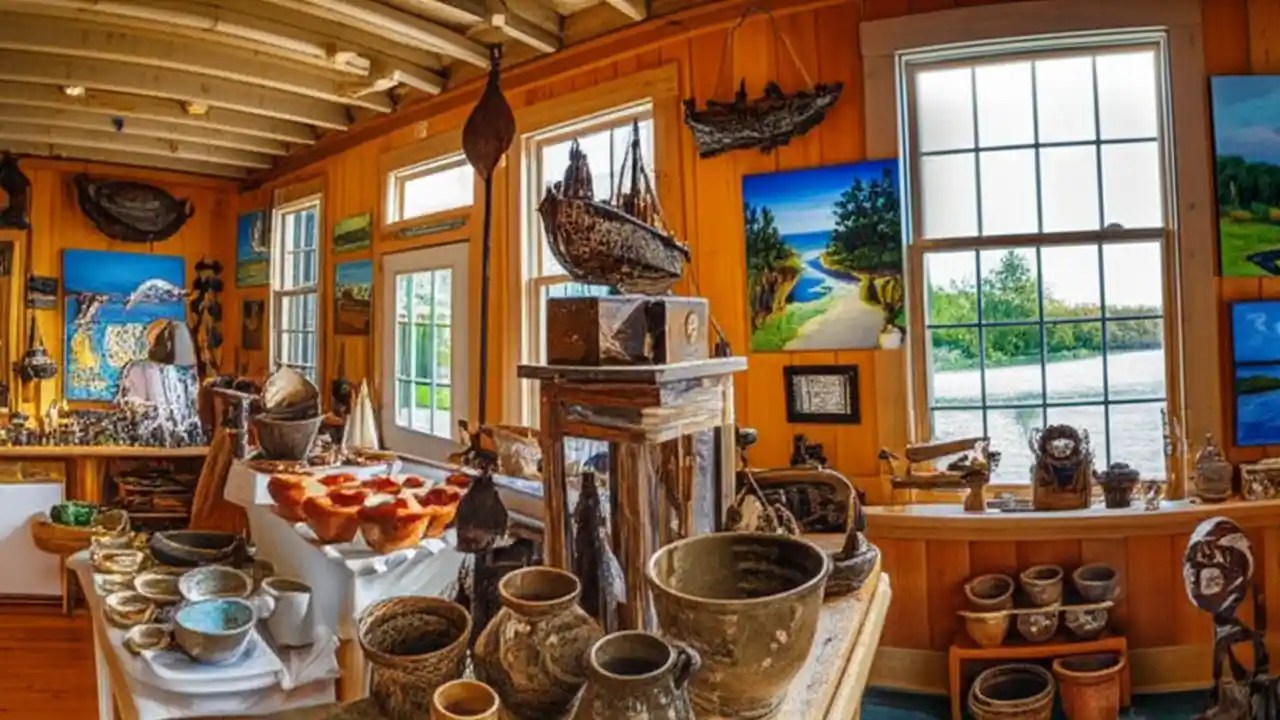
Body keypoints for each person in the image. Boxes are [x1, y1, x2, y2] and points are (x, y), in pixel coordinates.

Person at [116, 319, 204, 446]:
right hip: (148, 445)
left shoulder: (190, 376)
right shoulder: (138, 370)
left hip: (186, 445)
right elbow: (132, 406)